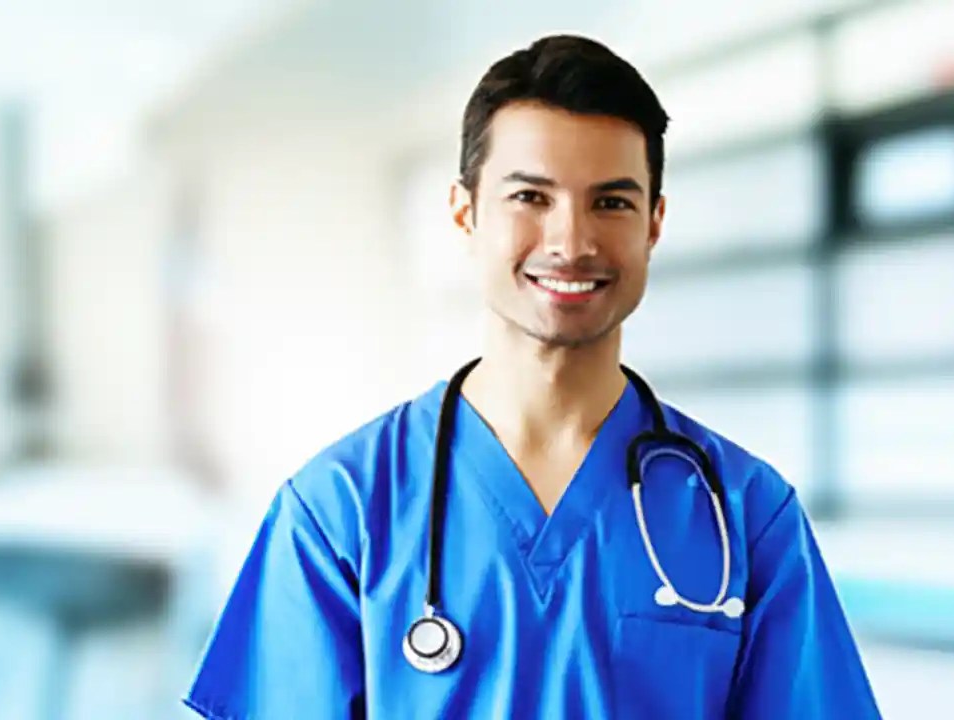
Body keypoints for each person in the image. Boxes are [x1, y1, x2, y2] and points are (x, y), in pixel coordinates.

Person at [183, 34, 881, 719]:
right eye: (530, 198)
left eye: (611, 202)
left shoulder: (744, 515)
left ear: (654, 224)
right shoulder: (342, 510)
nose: (571, 243)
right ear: (465, 212)